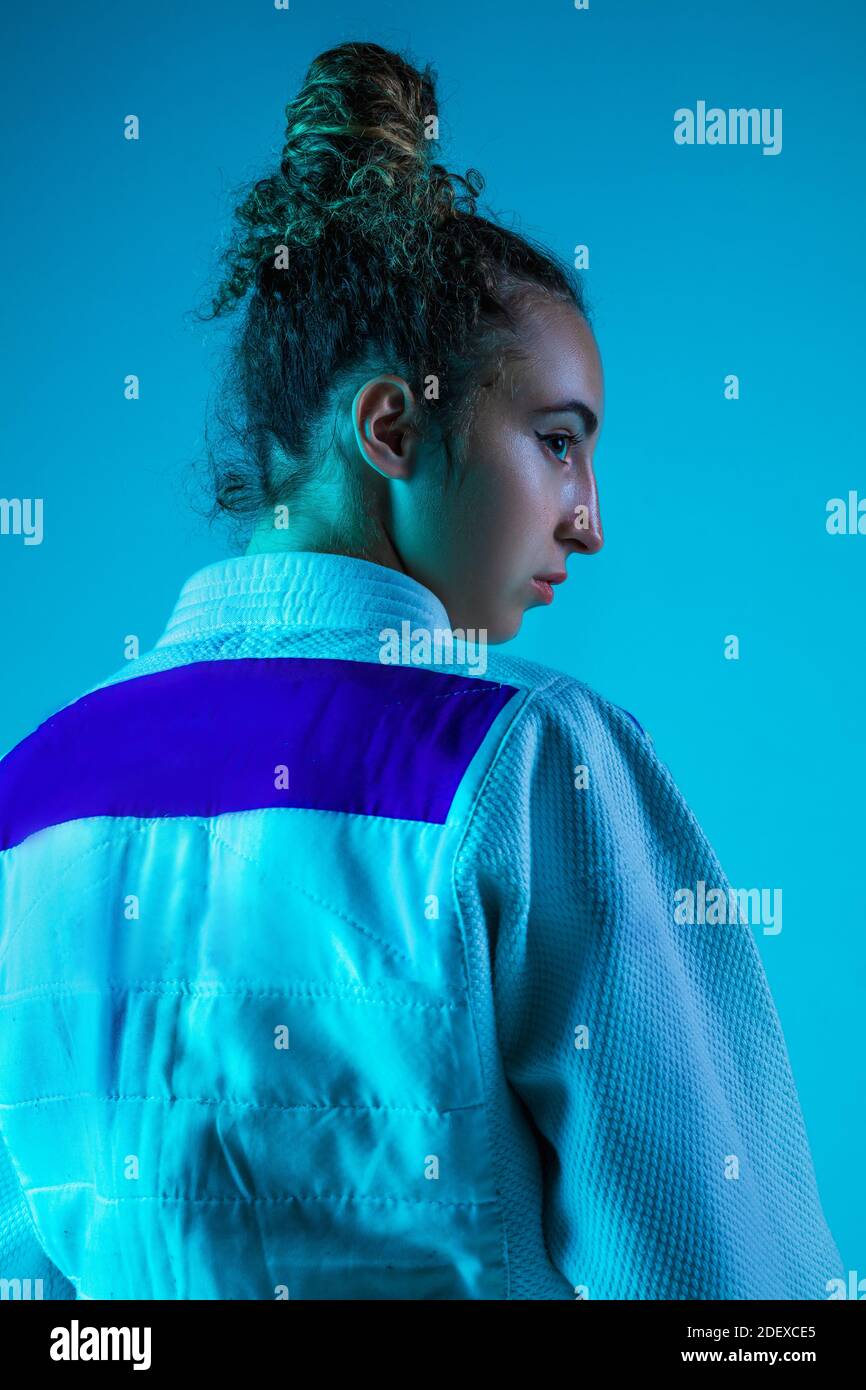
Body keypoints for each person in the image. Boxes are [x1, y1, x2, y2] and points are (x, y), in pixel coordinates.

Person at [0, 40, 843, 1300]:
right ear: (392, 427)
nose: (588, 518)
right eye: (557, 442)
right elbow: (720, 1291)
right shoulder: (526, 761)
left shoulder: (32, 795)